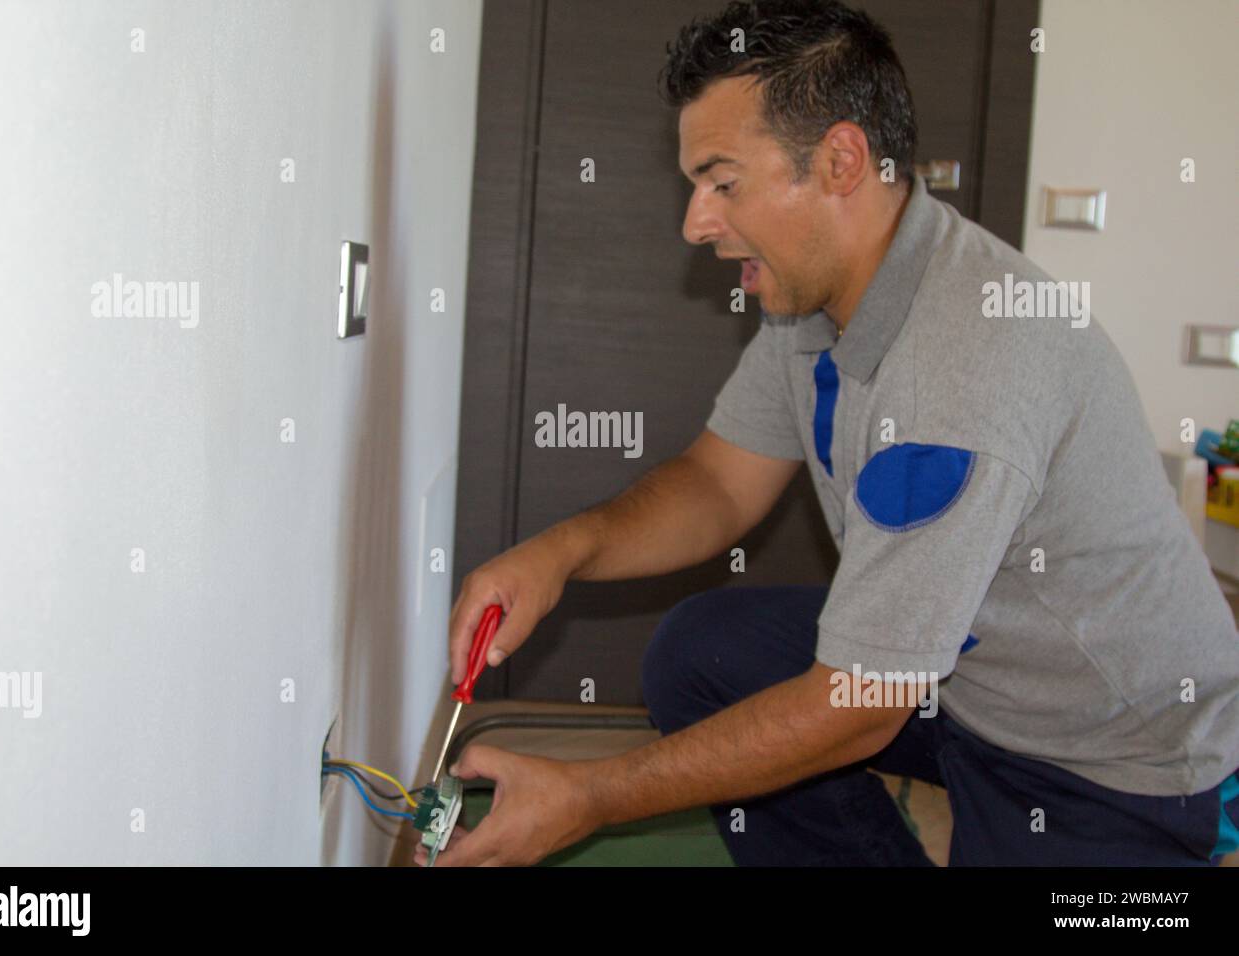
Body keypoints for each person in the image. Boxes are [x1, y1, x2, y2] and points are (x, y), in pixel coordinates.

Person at [417, 0, 1239, 867]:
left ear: (841, 161)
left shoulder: (963, 368)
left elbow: (861, 702)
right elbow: (721, 484)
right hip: (963, 684)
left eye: (722, 181)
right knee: (701, 653)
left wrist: (590, 796)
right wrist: (563, 551)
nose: (695, 222)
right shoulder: (817, 295)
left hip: (1111, 760)